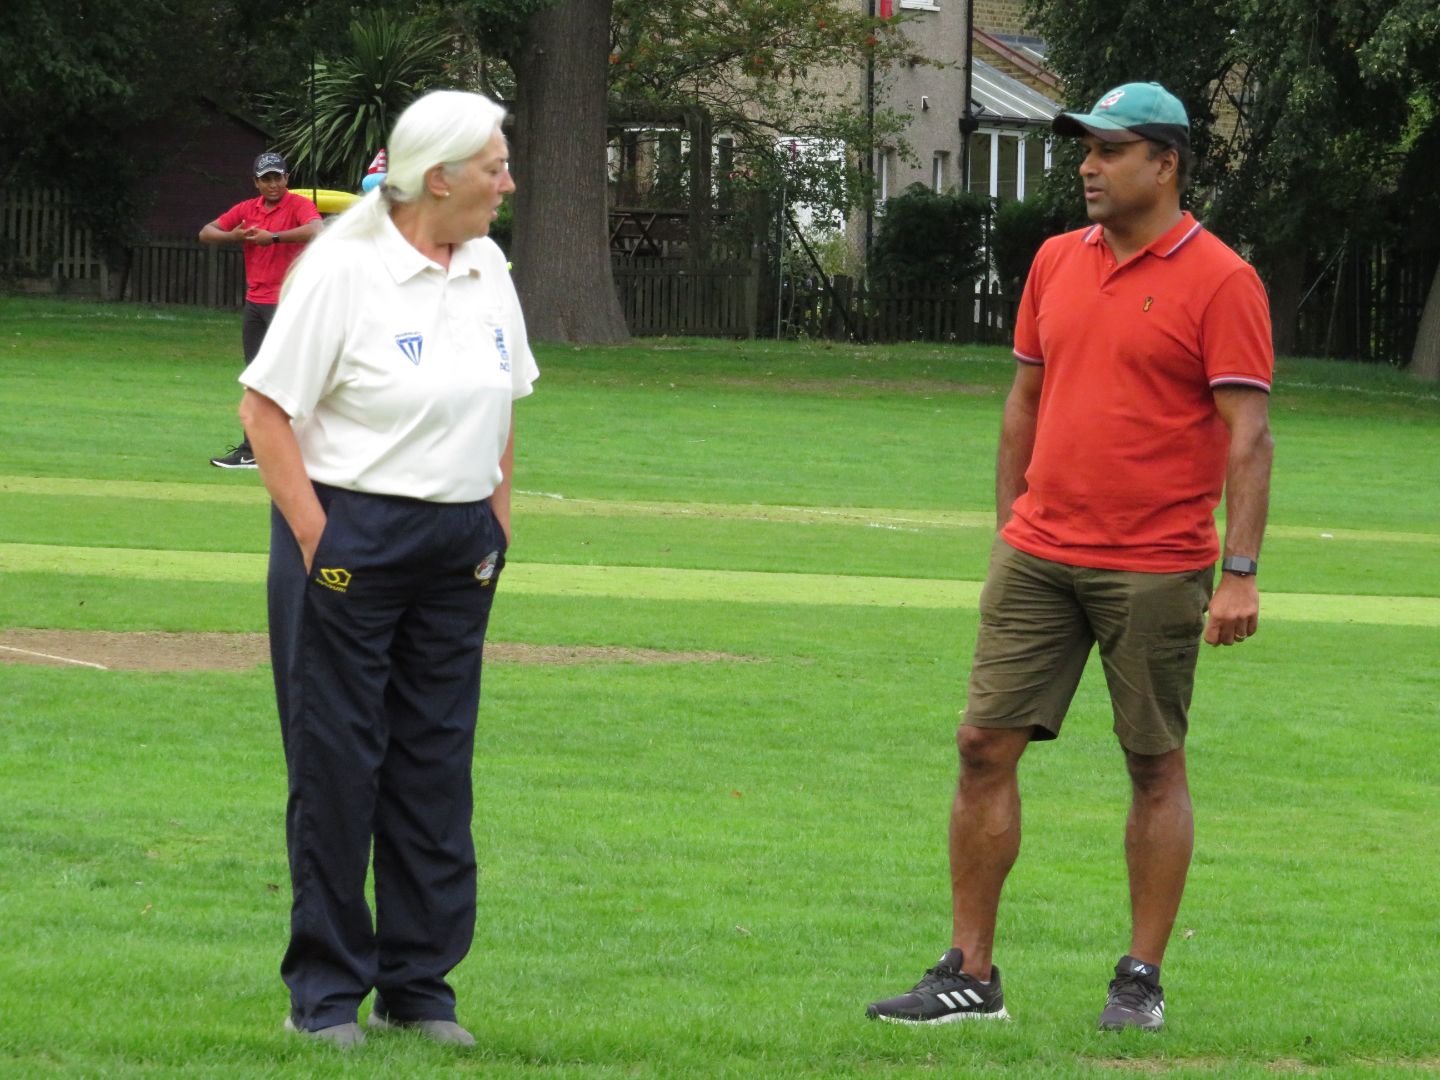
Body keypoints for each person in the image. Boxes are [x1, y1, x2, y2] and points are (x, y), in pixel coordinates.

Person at [866, 82, 1274, 1032]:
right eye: (1083, 150)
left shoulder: (1223, 280)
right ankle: (969, 974)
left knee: (1152, 763)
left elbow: (1247, 436)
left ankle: (1140, 979)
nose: (1086, 167)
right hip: (1041, 555)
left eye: (1108, 150)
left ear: (1164, 163)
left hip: (1157, 563)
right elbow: (1024, 400)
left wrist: (1241, 571)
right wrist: (1013, 525)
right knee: (980, 746)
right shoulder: (1054, 261)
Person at [236, 90, 536, 1048]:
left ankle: (420, 988)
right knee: (338, 765)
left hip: (458, 547)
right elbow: (265, 410)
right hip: (351, 535)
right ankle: (324, 998)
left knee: (435, 766)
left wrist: (494, 521)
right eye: (494, 165)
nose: (508, 181)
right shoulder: (344, 269)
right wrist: (323, 539)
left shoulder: (488, 263)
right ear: (437, 177)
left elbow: (505, 399)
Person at [200, 152, 322, 469]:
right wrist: (234, 236)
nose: (272, 184)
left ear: (286, 178)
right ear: (256, 182)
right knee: (255, 377)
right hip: (256, 303)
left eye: (277, 177)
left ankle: (305, 446)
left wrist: (275, 238)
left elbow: (316, 230)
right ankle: (252, 448)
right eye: (266, 178)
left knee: (290, 376)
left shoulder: (298, 205)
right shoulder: (246, 209)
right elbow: (206, 232)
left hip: (286, 303)